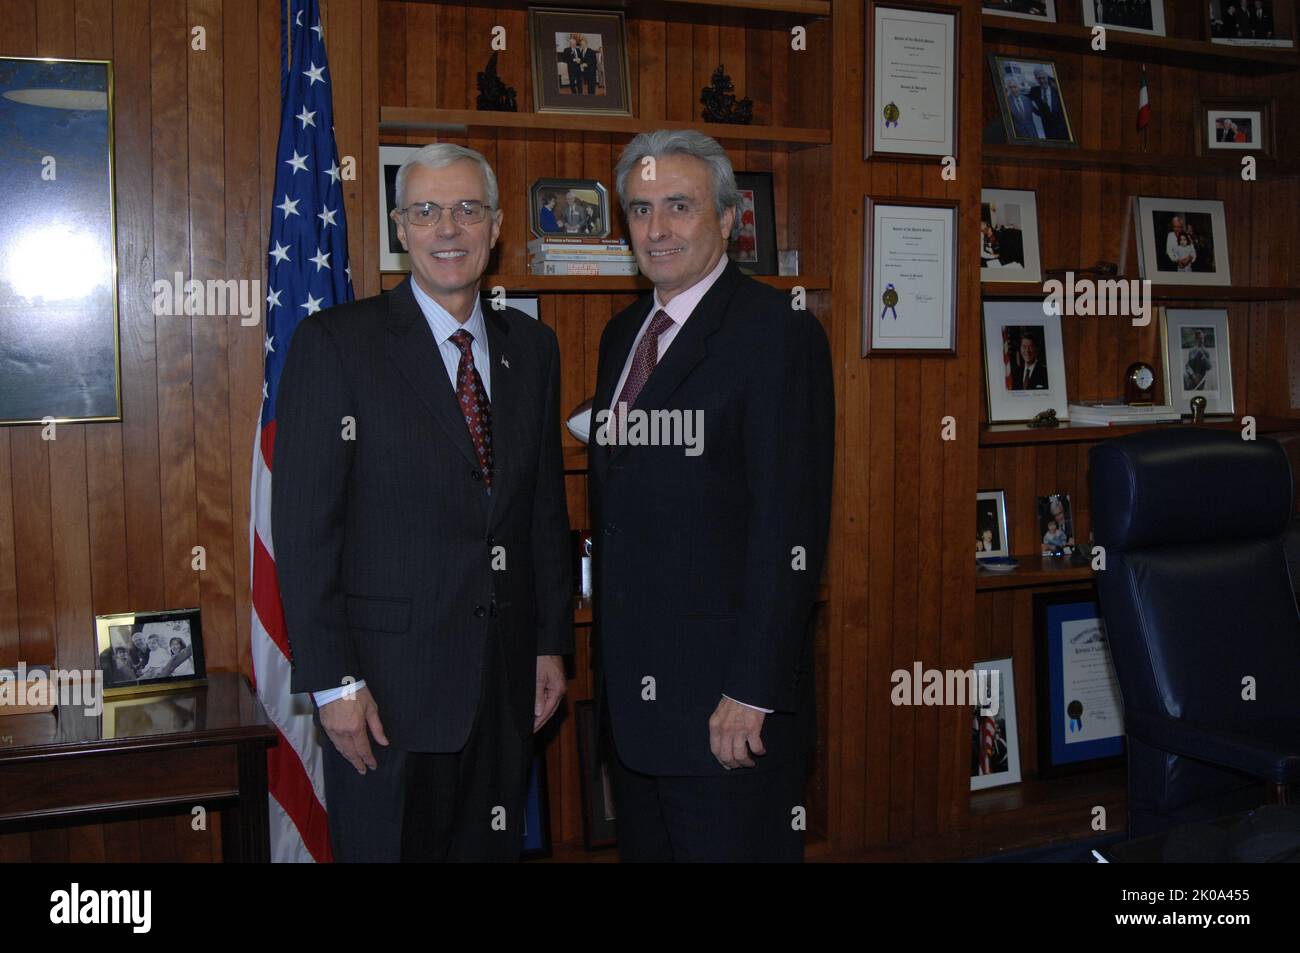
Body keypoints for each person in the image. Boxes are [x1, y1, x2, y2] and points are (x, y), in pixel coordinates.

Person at [273, 142, 573, 862]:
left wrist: (549, 640)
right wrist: (334, 683)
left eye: (467, 210)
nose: (449, 229)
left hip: (503, 691)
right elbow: (306, 530)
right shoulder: (336, 345)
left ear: (496, 226)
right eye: (427, 211)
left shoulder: (532, 349)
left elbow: (542, 511)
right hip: (385, 700)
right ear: (399, 229)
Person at [590, 129, 834, 862]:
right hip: (636, 713)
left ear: (728, 219)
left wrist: (754, 688)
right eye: (639, 209)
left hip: (727, 713)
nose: (657, 229)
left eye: (679, 206)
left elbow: (790, 527)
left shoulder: (776, 334)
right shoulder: (621, 334)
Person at [1027, 66, 1069, 141]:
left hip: (1062, 127)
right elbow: (1026, 99)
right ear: (1036, 79)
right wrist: (1037, 112)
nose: (1042, 81)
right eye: (1039, 78)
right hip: (1048, 127)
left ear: (1047, 77)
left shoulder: (1056, 89)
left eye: (1043, 78)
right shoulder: (1034, 91)